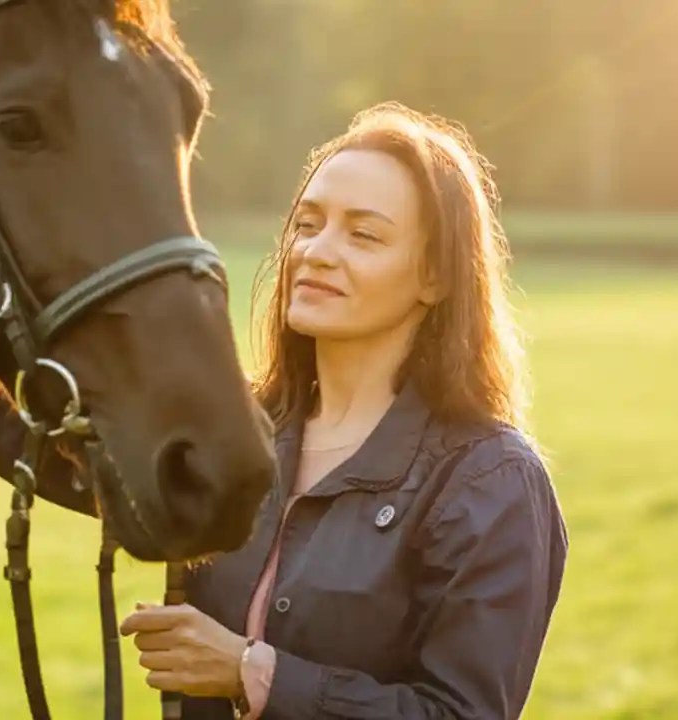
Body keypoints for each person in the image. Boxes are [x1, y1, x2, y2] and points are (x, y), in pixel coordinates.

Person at [117, 101, 569, 719]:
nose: (317, 252)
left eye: (364, 235)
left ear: (435, 276)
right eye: (307, 224)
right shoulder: (241, 436)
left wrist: (253, 673)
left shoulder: (490, 482)